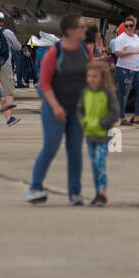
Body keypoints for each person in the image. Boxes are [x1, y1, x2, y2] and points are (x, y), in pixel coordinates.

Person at [27, 14, 93, 205]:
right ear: (70, 31)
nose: (84, 30)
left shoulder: (84, 51)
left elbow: (89, 78)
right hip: (54, 106)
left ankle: (75, 192)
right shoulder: (55, 52)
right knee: (51, 145)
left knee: (75, 150)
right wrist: (56, 107)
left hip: (76, 108)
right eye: (81, 27)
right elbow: (45, 84)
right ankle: (35, 187)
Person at [81, 61, 119, 206]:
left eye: (95, 76)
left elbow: (114, 112)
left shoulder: (108, 93)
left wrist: (103, 123)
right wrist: (83, 121)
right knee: (93, 164)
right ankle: (97, 192)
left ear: (103, 78)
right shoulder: (86, 92)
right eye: (89, 76)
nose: (91, 79)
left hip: (103, 134)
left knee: (99, 161)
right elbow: (80, 109)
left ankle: (102, 192)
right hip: (90, 134)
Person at [111, 16, 139, 124]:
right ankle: (121, 118)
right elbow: (117, 53)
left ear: (134, 26)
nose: (128, 27)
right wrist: (131, 52)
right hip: (124, 69)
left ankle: (137, 116)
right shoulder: (121, 39)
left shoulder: (136, 37)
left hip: (136, 69)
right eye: (126, 25)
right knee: (124, 94)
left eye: (130, 25)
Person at [0, 11, 23, 127]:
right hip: (6, 65)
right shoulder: (8, 33)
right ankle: (9, 118)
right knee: (8, 92)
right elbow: (18, 47)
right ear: (3, 21)